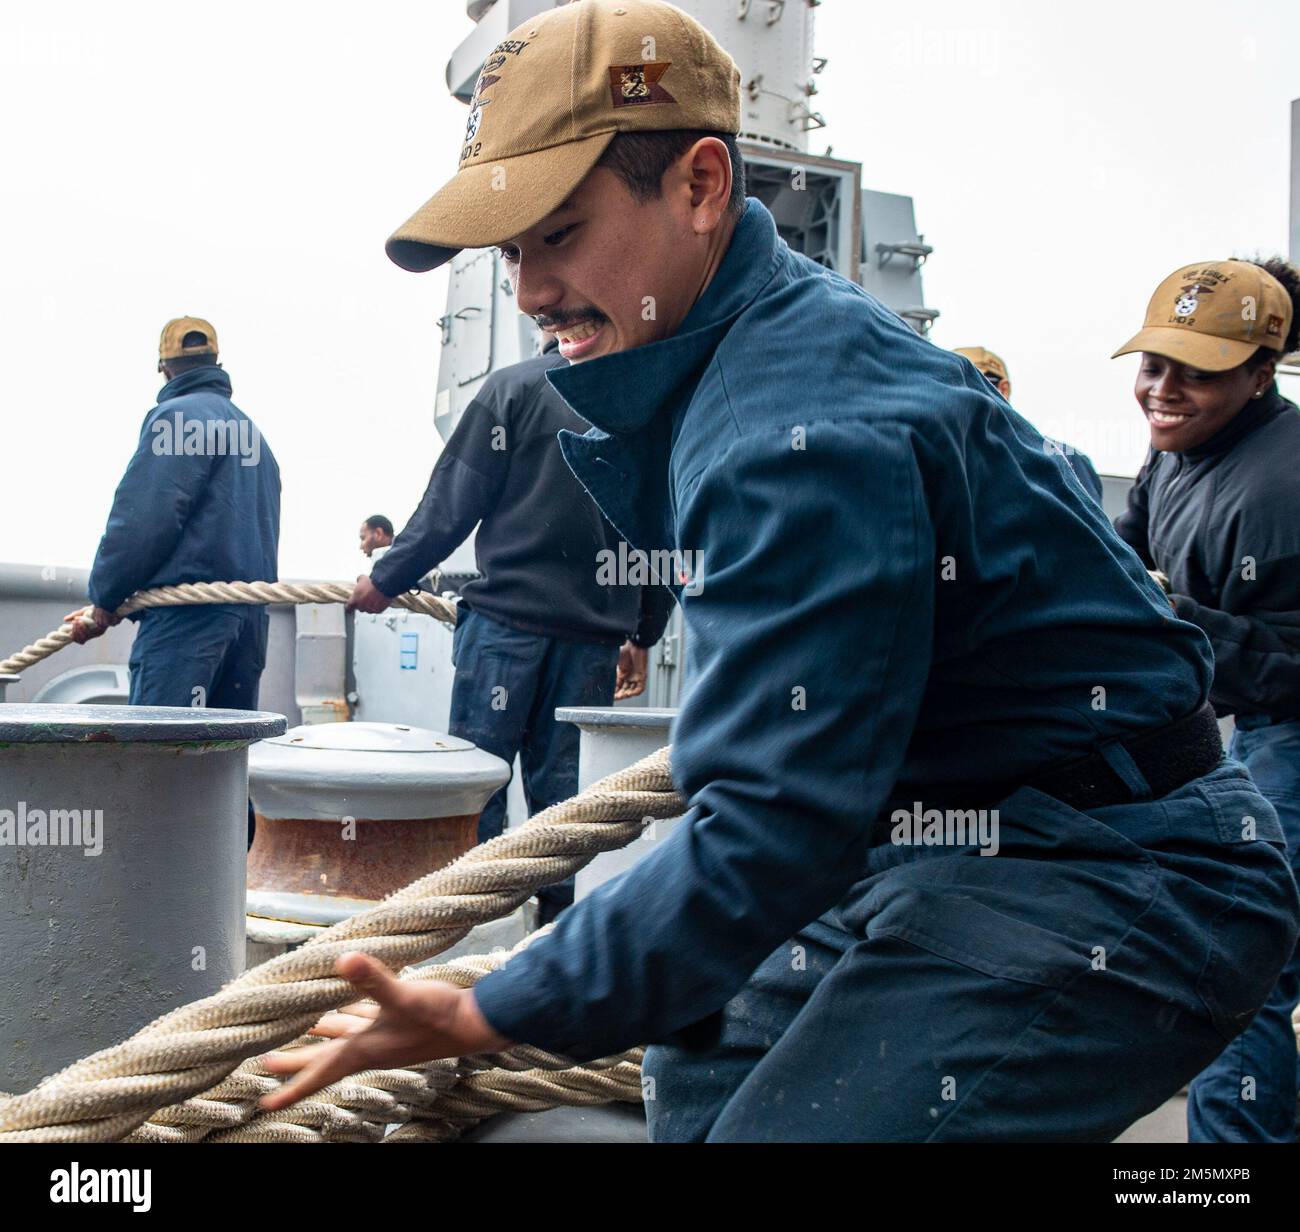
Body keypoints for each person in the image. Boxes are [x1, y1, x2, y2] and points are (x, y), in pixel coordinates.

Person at [260, 0, 1297, 1141]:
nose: (529, 290)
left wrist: (489, 1005)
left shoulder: (793, 424)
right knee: (694, 1075)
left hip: (1119, 870)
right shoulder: (739, 354)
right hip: (950, 833)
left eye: (558, 231)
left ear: (700, 186)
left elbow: (772, 818)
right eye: (510, 251)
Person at [346, 337, 673, 923]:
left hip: (503, 631)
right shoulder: (642, 404)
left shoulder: (513, 388)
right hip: (591, 644)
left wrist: (387, 577)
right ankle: (558, 949)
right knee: (568, 811)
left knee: (476, 791)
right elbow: (658, 533)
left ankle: (462, 944)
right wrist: (643, 633)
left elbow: (453, 500)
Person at [1111, 256, 1300, 1142]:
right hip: (1240, 732)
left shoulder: (1288, 484)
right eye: (1156, 363)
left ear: (1261, 372)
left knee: (1243, 963)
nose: (1166, 389)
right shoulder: (1172, 452)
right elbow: (1125, 552)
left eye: (1200, 369)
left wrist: (1178, 624)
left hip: (1286, 736)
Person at [70, 317, 281, 849]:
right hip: (248, 621)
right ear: (217, 366)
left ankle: (149, 910)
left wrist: (104, 600)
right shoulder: (255, 436)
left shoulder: (174, 417)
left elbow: (143, 517)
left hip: (189, 621)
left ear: (164, 369)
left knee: (158, 767)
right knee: (226, 770)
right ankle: (223, 902)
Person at [953, 344, 1105, 502]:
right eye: (949, 387)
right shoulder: (944, 461)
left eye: (969, 385)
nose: (959, 397)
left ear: (1003, 390)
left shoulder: (1062, 458)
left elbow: (1086, 525)